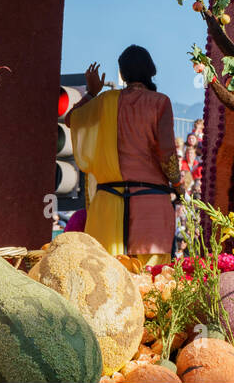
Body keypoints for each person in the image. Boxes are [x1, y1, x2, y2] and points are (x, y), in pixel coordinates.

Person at [65, 46, 180, 265]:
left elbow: (72, 119)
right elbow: (167, 156)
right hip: (151, 204)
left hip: (108, 205)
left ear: (123, 74)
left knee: (105, 278)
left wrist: (91, 92)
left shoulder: (104, 101)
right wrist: (178, 184)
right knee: (153, 284)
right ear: (151, 70)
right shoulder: (160, 102)